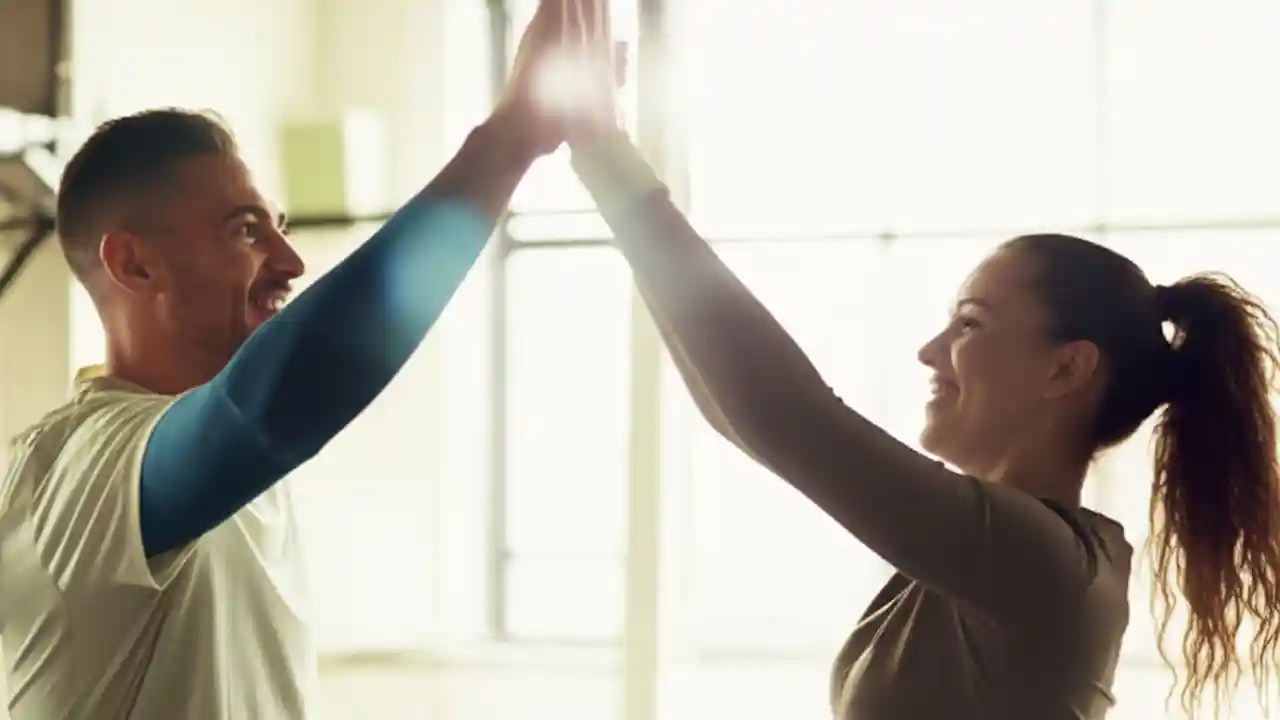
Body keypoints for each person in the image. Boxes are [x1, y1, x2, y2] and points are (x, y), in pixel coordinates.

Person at [555, 2, 1280, 717]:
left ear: (1066, 369)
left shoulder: (1041, 561)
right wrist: (613, 192)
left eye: (970, 323)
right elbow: (743, 415)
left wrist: (605, 157)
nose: (931, 352)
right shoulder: (986, 556)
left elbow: (785, 418)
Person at [0, 2, 584, 717]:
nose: (291, 261)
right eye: (247, 232)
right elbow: (270, 408)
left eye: (278, 227)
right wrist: (506, 144)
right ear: (135, 264)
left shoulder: (233, 477)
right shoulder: (81, 464)